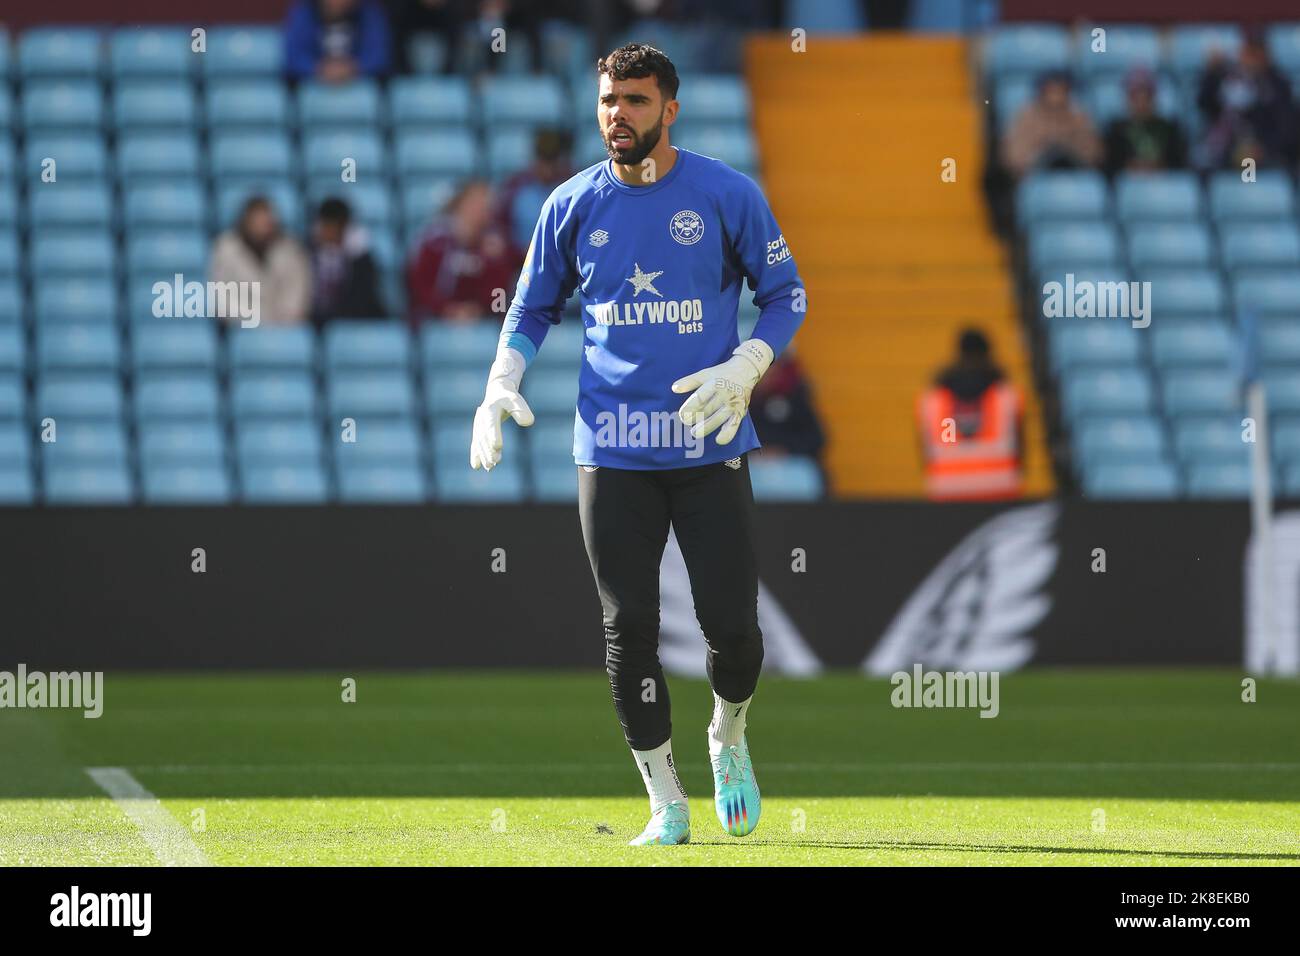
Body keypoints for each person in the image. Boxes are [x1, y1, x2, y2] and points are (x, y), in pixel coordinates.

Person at [468, 44, 807, 846]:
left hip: (706, 442)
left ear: (670, 110)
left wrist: (751, 360)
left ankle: (727, 735)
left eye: (637, 101)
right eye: (609, 100)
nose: (618, 114)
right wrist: (500, 379)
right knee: (628, 631)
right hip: (612, 450)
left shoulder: (726, 194)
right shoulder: (572, 204)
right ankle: (665, 800)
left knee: (736, 632)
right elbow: (531, 306)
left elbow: (786, 293)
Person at [916, 329, 1023, 501]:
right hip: (1000, 486)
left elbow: (926, 449)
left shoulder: (936, 400)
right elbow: (1019, 447)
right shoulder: (1006, 396)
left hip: (946, 486)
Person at [406, 179, 519, 323]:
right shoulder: (435, 243)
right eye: (475, 203)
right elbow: (419, 287)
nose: (481, 210)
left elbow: (501, 298)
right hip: (436, 321)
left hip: (483, 322)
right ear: (461, 204)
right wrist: (446, 310)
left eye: (486, 205)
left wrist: (480, 309)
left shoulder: (497, 247)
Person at [1196, 28, 1298, 170]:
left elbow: (1286, 128)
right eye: (1247, 52)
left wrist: (1263, 148)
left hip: (1265, 154)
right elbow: (1204, 104)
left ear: (1265, 54)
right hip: (1226, 150)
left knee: (1249, 166)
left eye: (1255, 52)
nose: (1250, 59)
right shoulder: (1226, 78)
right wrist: (1211, 72)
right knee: (1202, 161)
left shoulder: (1278, 85)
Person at [208, 196, 311, 327]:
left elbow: (298, 295)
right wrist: (254, 321)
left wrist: (280, 322)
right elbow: (223, 298)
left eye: (266, 222)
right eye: (256, 221)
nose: (262, 227)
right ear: (246, 222)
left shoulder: (291, 250)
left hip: (284, 329)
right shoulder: (226, 249)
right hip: (241, 329)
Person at [1001, 70, 1102, 179]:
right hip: (1035, 179)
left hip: (1074, 177)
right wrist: (1042, 149)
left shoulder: (1079, 116)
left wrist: (1066, 146)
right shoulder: (1025, 117)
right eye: (1052, 91)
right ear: (1042, 92)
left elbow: (1095, 154)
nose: (1056, 97)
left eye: (1061, 90)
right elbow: (1013, 158)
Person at [495, 127, 575, 258]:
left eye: (552, 161)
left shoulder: (573, 186)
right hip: (519, 264)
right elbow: (501, 230)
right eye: (543, 160)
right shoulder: (515, 188)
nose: (547, 168)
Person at [308, 198, 387, 324]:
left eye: (331, 226)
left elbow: (363, 298)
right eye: (324, 225)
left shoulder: (362, 258)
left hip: (355, 321)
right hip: (319, 321)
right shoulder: (309, 253)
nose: (327, 232)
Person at [1103, 68, 1187, 175]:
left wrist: (1158, 166)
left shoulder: (1171, 129)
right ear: (1127, 98)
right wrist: (1131, 167)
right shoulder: (1115, 130)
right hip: (1126, 187)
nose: (1141, 101)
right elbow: (1109, 165)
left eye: (1146, 95)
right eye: (1134, 96)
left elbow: (1180, 166)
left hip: (1164, 186)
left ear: (1154, 97)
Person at [284, 0, 393, 83]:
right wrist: (319, 69)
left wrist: (352, 68)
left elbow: (379, 55)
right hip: (311, 88)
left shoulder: (369, 12)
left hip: (362, 87)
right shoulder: (304, 11)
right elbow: (293, 56)